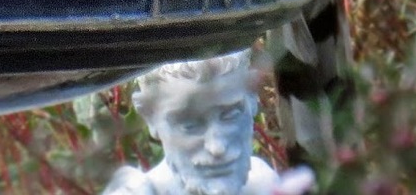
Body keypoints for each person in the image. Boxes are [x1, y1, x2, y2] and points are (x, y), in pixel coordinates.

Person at [102, 52, 315, 195]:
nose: (217, 147)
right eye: (189, 125)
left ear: (252, 101)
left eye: (231, 115)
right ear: (150, 117)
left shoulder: (260, 184)